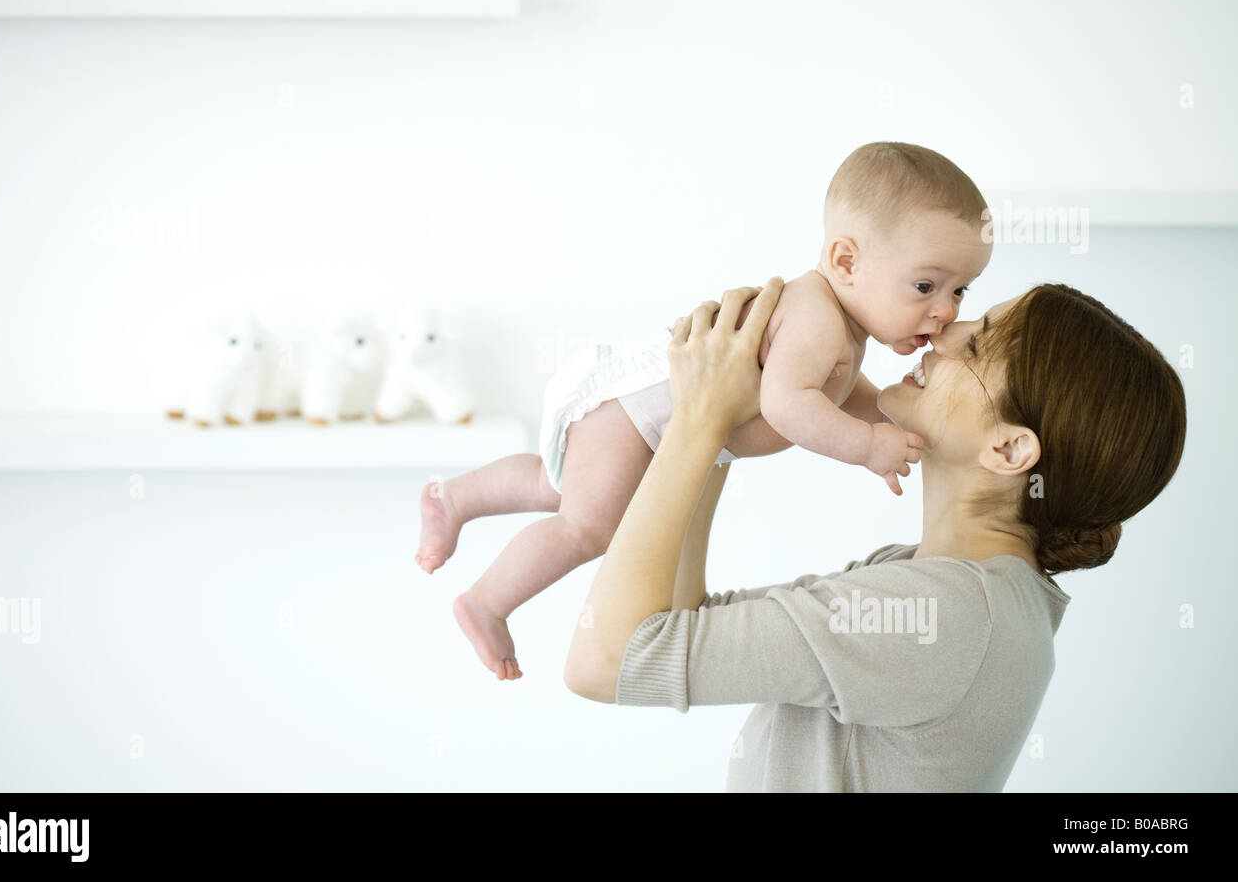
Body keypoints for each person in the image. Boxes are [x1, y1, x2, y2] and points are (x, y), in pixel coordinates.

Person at [563, 276, 1187, 791]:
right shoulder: (949, 590)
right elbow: (684, 621)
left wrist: (697, 417)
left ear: (1008, 448)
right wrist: (717, 430)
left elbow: (607, 661)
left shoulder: (941, 615)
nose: (945, 331)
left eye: (976, 347)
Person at [418, 142, 992, 680]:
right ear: (846, 262)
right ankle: (487, 602)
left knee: (556, 486)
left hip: (637, 418)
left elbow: (846, 395)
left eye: (961, 291)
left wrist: (897, 421)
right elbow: (788, 403)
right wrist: (867, 447)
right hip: (637, 417)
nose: (945, 310)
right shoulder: (818, 322)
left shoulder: (840, 324)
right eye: (925, 286)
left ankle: (457, 497)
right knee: (590, 526)